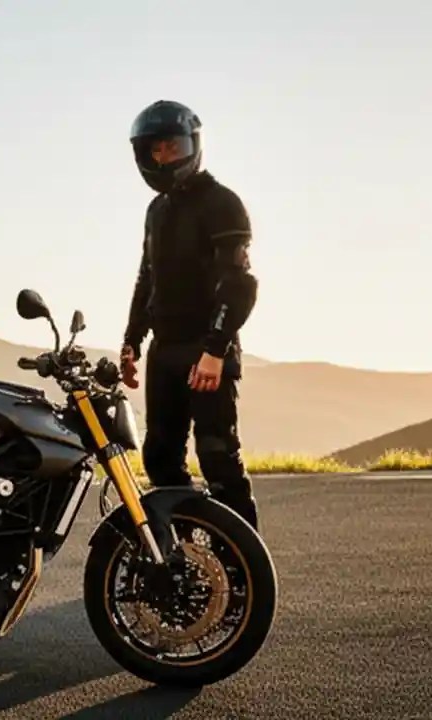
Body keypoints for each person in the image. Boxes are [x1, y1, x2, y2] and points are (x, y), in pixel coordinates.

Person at [118, 99, 261, 531]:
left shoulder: (223, 203)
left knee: (218, 457)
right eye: (155, 150)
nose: (164, 157)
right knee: (160, 459)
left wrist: (215, 350)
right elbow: (148, 279)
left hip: (208, 349)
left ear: (193, 146)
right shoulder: (156, 211)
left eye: (172, 147)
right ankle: (182, 558)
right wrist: (131, 340)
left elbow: (239, 284)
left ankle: (242, 566)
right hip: (165, 351)